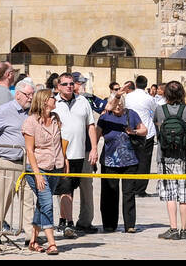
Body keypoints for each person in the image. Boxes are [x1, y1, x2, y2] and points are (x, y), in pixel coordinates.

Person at [0, 78, 35, 242]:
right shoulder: (5, 110)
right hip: (7, 162)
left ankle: (30, 235)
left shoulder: (31, 112)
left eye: (32, 95)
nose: (31, 98)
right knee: (2, 200)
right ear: (18, 94)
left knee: (28, 200)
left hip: (26, 163)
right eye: (28, 95)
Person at [21, 88, 66, 254]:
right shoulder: (30, 122)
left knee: (42, 204)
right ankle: (52, 243)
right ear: (44, 100)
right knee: (47, 203)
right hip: (37, 168)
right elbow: (30, 151)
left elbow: (59, 143)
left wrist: (64, 160)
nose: (55, 99)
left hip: (55, 167)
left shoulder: (55, 119)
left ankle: (33, 241)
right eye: (53, 97)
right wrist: (37, 175)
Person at [53, 72, 99, 237]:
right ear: (58, 86)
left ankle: (67, 220)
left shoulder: (83, 101)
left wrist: (94, 148)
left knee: (74, 187)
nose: (69, 86)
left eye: (71, 83)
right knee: (65, 188)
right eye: (65, 84)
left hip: (80, 153)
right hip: (61, 154)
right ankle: (67, 222)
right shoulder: (53, 103)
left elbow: (91, 126)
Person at [153, 80, 186, 240]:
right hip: (184, 157)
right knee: (184, 195)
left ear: (166, 94)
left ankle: (173, 228)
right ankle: (185, 230)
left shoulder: (159, 109)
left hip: (165, 158)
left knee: (170, 194)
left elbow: (156, 124)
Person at [97, 91, 145, 233]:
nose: (118, 107)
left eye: (121, 104)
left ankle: (129, 225)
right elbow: (96, 133)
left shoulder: (131, 114)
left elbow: (144, 130)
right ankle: (109, 225)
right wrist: (93, 149)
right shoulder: (105, 117)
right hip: (110, 161)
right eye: (116, 104)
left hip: (130, 161)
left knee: (128, 193)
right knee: (109, 193)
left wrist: (134, 132)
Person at [123, 76, 158, 196]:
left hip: (131, 131)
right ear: (146, 84)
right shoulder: (149, 98)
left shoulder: (128, 97)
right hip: (147, 133)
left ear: (136, 84)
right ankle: (140, 190)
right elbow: (154, 111)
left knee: (131, 160)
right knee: (145, 162)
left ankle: (130, 188)